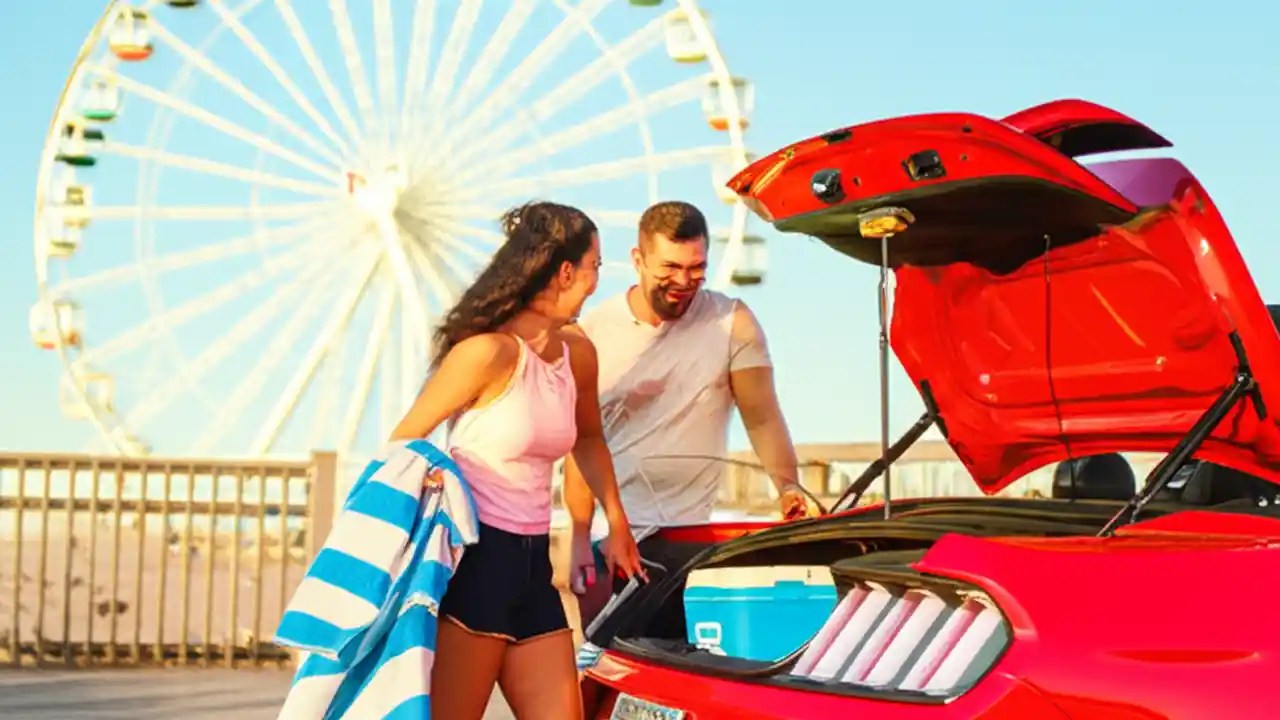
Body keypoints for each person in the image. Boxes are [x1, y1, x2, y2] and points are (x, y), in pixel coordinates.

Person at [388, 201, 643, 720]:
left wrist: (616, 522)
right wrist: (438, 481)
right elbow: (404, 440)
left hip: (533, 569)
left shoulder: (578, 355)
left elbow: (589, 440)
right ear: (566, 271)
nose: (598, 279)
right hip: (475, 565)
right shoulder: (488, 354)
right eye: (596, 265)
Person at [560, 199, 807, 634]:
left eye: (696, 268)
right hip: (613, 537)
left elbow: (763, 417)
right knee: (605, 673)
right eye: (670, 267)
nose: (683, 281)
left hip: (693, 539)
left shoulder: (732, 322)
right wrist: (578, 533)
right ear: (637, 260)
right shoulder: (592, 334)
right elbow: (583, 441)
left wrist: (787, 485)